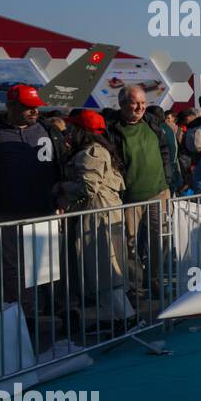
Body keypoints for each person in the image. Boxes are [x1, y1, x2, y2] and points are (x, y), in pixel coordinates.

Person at [52, 111, 134, 327]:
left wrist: (61, 187)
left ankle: (126, 318)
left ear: (82, 131)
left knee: (105, 270)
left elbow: (88, 188)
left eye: (72, 128)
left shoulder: (92, 152)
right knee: (102, 270)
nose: (68, 132)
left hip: (98, 215)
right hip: (99, 213)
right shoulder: (94, 150)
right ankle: (115, 318)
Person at [0, 84, 63, 323]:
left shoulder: (48, 130)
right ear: (11, 106)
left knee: (43, 268)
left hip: (43, 209)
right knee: (13, 270)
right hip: (8, 213)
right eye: (28, 107)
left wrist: (60, 196)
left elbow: (59, 166)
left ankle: (41, 313)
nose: (34, 111)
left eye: (36, 106)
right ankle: (20, 317)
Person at [106, 84, 173, 303]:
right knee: (130, 245)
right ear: (123, 103)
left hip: (159, 193)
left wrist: (167, 178)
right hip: (130, 198)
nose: (140, 107)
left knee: (159, 241)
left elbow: (165, 151)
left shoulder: (152, 123)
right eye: (135, 103)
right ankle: (134, 288)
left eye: (143, 103)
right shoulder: (112, 129)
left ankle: (155, 281)